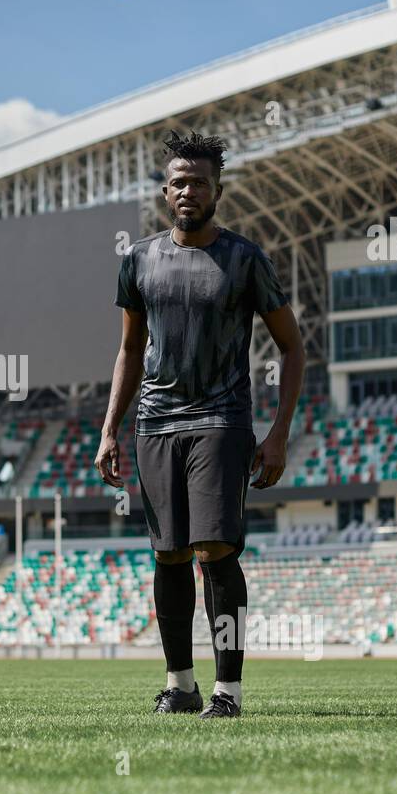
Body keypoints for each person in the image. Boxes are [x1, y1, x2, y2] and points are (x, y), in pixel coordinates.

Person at [94, 129, 305, 718]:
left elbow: (292, 347)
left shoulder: (244, 259)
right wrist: (111, 428)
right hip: (156, 423)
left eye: (200, 183)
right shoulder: (138, 260)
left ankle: (228, 693)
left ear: (219, 190)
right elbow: (131, 351)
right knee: (168, 555)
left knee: (215, 551)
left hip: (222, 418)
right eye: (179, 182)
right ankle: (180, 686)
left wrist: (279, 434)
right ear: (165, 191)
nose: (189, 191)